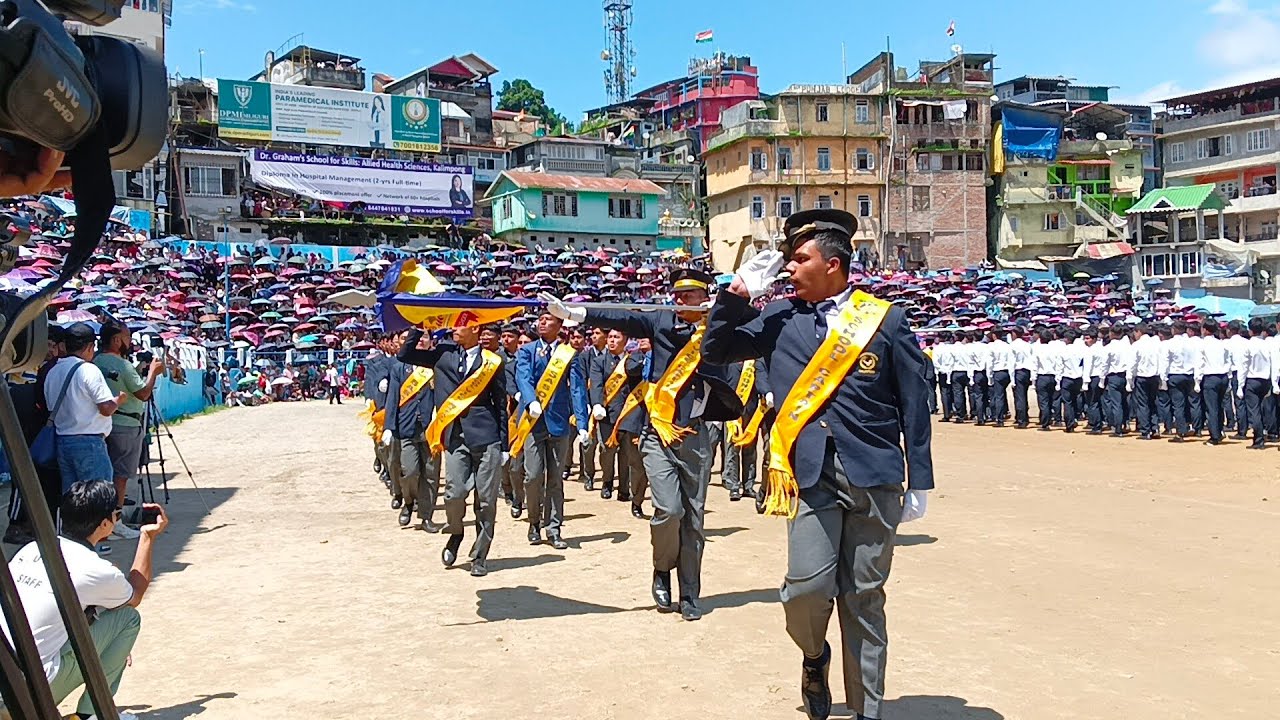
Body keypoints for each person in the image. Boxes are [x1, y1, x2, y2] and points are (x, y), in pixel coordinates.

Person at [701, 209, 932, 720]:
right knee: (806, 589)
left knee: (864, 596)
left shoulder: (886, 320)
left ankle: (868, 709)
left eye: (798, 258)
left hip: (874, 472)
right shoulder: (779, 317)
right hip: (809, 473)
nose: (788, 268)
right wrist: (737, 294)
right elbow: (714, 351)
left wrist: (921, 479)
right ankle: (813, 655)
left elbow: (915, 400)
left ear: (833, 263)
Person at [543, 268, 744, 622]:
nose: (681, 300)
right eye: (677, 294)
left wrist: (733, 306)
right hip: (658, 435)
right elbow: (622, 316)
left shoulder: (715, 328)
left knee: (693, 519)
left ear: (704, 296)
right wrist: (576, 314)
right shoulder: (661, 323)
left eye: (690, 295)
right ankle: (662, 569)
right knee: (668, 510)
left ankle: (690, 592)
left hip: (695, 435)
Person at [1, 481, 167, 720]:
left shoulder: (32, 549)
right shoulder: (95, 570)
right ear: (105, 524)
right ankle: (91, 714)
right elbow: (135, 594)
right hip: (25, 695)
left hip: (5, 681)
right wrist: (147, 537)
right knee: (127, 619)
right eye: (116, 514)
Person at [398, 325, 508, 577]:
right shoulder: (443, 353)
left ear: (475, 329)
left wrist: (504, 444)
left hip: (486, 436)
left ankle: (480, 555)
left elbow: (500, 403)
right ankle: (456, 533)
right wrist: (417, 327)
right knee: (454, 494)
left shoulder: (492, 361)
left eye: (461, 326)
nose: (454, 330)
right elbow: (405, 355)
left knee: (487, 500)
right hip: (455, 436)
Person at [513, 311, 588, 550]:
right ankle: (534, 521)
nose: (542, 323)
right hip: (533, 421)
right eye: (540, 320)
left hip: (558, 422)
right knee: (533, 476)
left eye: (548, 320)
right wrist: (530, 400)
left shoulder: (569, 354)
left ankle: (553, 527)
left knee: (555, 479)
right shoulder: (526, 350)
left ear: (559, 324)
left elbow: (577, 389)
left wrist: (583, 423)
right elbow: (523, 378)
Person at [44, 323, 128, 535]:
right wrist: (118, 400)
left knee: (73, 497)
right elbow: (106, 408)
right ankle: (97, 539)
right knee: (98, 495)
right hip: (89, 441)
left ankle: (71, 539)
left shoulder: (53, 372)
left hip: (63, 440)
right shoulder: (88, 370)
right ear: (90, 347)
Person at [94, 323, 165, 541]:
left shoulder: (94, 362)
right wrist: (153, 373)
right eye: (127, 336)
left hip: (102, 424)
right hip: (126, 424)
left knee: (105, 475)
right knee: (121, 477)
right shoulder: (123, 365)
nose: (130, 341)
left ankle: (103, 522)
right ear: (116, 340)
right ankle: (116, 523)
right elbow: (143, 393)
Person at [386, 329, 442, 530]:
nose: (421, 341)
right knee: (409, 471)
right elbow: (392, 397)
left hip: (432, 428)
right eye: (417, 337)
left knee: (430, 473)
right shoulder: (400, 367)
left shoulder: (437, 364)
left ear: (430, 341)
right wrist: (389, 427)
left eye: (425, 337)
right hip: (407, 427)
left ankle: (426, 515)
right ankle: (408, 502)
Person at [588, 328, 644, 501]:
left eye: (616, 337)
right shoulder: (599, 362)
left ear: (625, 340)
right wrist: (597, 404)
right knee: (607, 450)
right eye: (610, 337)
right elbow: (596, 385)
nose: (612, 340)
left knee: (627, 453)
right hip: (607, 413)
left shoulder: (632, 360)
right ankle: (607, 482)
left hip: (627, 414)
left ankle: (623, 489)